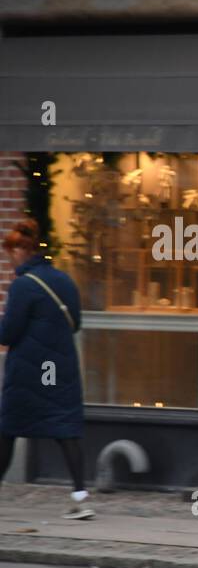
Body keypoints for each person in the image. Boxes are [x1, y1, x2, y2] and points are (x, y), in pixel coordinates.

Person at [0, 219, 93, 519]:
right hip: (58, 368)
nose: (9, 259)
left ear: (20, 251)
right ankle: (80, 495)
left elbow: (8, 333)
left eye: (10, 253)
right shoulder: (65, 281)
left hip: (29, 371)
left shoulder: (23, 286)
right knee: (66, 428)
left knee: (8, 428)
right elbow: (75, 323)